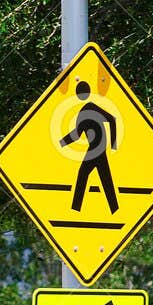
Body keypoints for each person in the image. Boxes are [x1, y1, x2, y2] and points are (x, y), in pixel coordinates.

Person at [60, 81, 119, 213]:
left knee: (84, 175)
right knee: (105, 179)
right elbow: (76, 135)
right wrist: (61, 142)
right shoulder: (83, 111)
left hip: (97, 148)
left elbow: (112, 119)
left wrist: (114, 145)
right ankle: (114, 209)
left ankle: (75, 209)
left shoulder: (90, 107)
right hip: (96, 149)